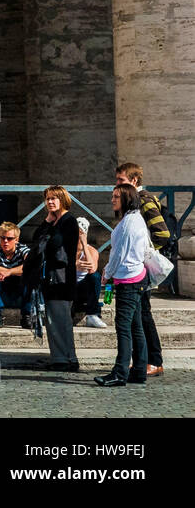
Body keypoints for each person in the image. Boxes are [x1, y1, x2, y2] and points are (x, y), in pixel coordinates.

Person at [95, 181, 151, 387]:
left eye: (116, 197)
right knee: (136, 326)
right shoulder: (137, 220)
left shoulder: (127, 224)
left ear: (126, 198)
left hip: (128, 279)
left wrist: (106, 274)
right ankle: (139, 371)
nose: (112, 200)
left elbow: (117, 254)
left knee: (124, 327)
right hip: (138, 276)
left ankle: (119, 373)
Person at [25, 185, 80, 372]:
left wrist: (48, 230)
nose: (50, 202)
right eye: (48, 198)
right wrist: (47, 222)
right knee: (55, 319)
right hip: (51, 278)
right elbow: (36, 239)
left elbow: (54, 244)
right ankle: (65, 357)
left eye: (54, 198)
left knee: (60, 320)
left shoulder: (68, 221)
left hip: (61, 278)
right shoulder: (54, 222)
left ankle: (63, 359)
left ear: (63, 199)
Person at [117, 162, 164, 376]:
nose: (116, 186)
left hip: (140, 270)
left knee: (143, 314)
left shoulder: (143, 199)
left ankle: (154, 361)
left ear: (134, 181)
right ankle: (141, 361)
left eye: (121, 181)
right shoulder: (134, 202)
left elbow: (161, 233)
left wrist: (144, 254)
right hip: (136, 270)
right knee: (138, 315)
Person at [0, 222, 32, 329]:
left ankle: (26, 316)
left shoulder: (22, 249)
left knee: (30, 280)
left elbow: (30, 266)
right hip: (1, 287)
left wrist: (9, 272)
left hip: (19, 288)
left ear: (16, 239)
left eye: (9, 239)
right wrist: (6, 271)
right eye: (2, 238)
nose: (5, 241)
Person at [73, 216, 106, 329]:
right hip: (68, 288)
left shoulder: (92, 251)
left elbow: (92, 270)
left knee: (95, 276)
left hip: (83, 290)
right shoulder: (65, 249)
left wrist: (84, 245)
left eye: (80, 233)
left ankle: (92, 315)